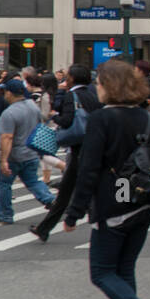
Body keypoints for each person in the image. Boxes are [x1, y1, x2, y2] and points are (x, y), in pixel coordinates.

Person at [62, 58, 150, 299]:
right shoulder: (147, 118)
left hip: (112, 204)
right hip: (143, 204)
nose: (96, 88)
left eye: (99, 82)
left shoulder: (102, 119)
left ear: (108, 86)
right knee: (124, 270)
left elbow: (87, 170)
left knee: (101, 272)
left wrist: (73, 212)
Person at [30, 65, 104, 241]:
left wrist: (55, 116)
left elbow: (67, 120)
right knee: (72, 188)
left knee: (71, 189)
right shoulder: (94, 92)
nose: (65, 79)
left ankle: (96, 223)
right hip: (94, 144)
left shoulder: (73, 95)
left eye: (68, 76)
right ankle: (44, 228)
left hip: (79, 148)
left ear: (73, 78)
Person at [0, 78, 55, 226]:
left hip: (14, 154)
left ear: (9, 93)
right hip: (31, 152)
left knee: (4, 185)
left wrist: (4, 160)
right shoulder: (33, 106)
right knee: (33, 181)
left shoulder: (9, 113)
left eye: (5, 91)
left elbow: (7, 137)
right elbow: (41, 126)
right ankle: (51, 200)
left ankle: (5, 215)